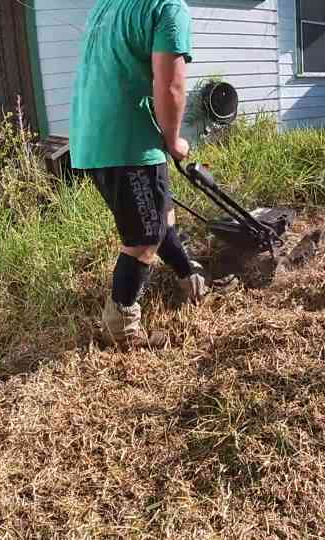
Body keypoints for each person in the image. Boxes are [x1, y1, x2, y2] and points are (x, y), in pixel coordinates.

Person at [69, 0, 207, 349]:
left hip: (92, 138)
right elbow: (171, 86)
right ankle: (121, 329)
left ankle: (190, 278)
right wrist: (174, 140)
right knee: (145, 237)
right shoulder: (168, 7)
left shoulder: (110, 5)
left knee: (161, 218)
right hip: (128, 140)